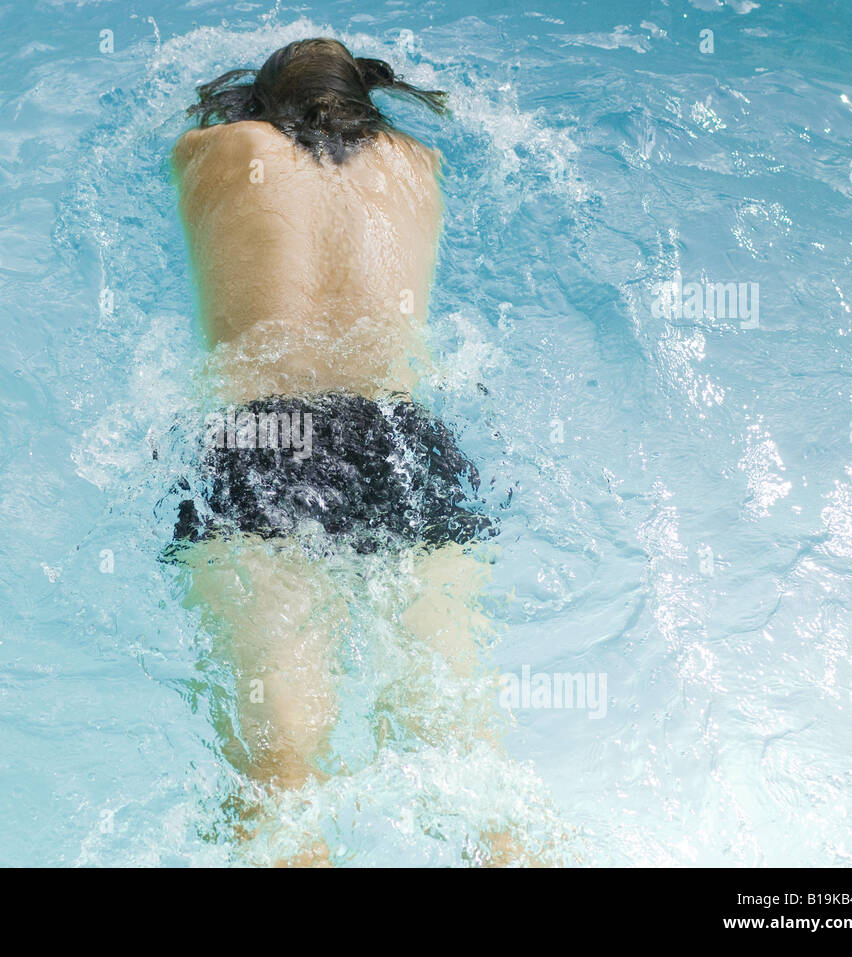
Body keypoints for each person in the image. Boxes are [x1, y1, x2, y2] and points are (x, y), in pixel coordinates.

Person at [169, 37, 507, 864]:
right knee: (466, 768)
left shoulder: (213, 148)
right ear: (367, 107)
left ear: (255, 105)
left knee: (277, 784)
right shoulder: (417, 164)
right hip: (405, 443)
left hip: (268, 439)